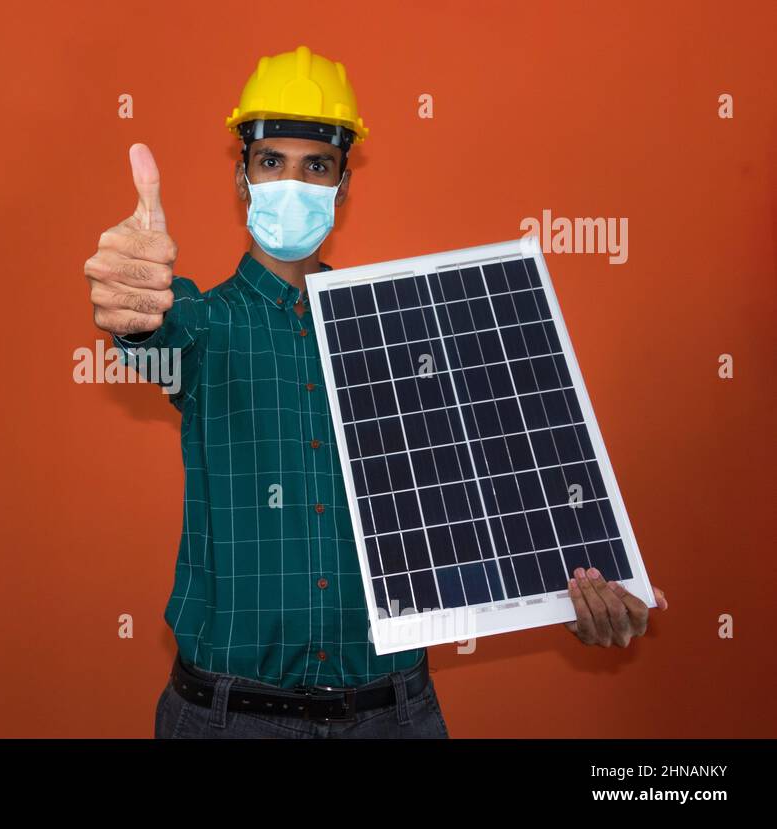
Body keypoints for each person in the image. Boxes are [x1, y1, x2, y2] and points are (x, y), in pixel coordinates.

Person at [83, 45, 667, 739]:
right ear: (242, 178)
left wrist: (561, 588)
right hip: (227, 719)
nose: (292, 183)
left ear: (342, 188)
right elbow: (153, 336)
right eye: (272, 162)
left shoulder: (413, 335)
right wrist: (133, 300)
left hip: (394, 715)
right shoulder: (205, 324)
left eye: (317, 165)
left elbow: (484, 493)